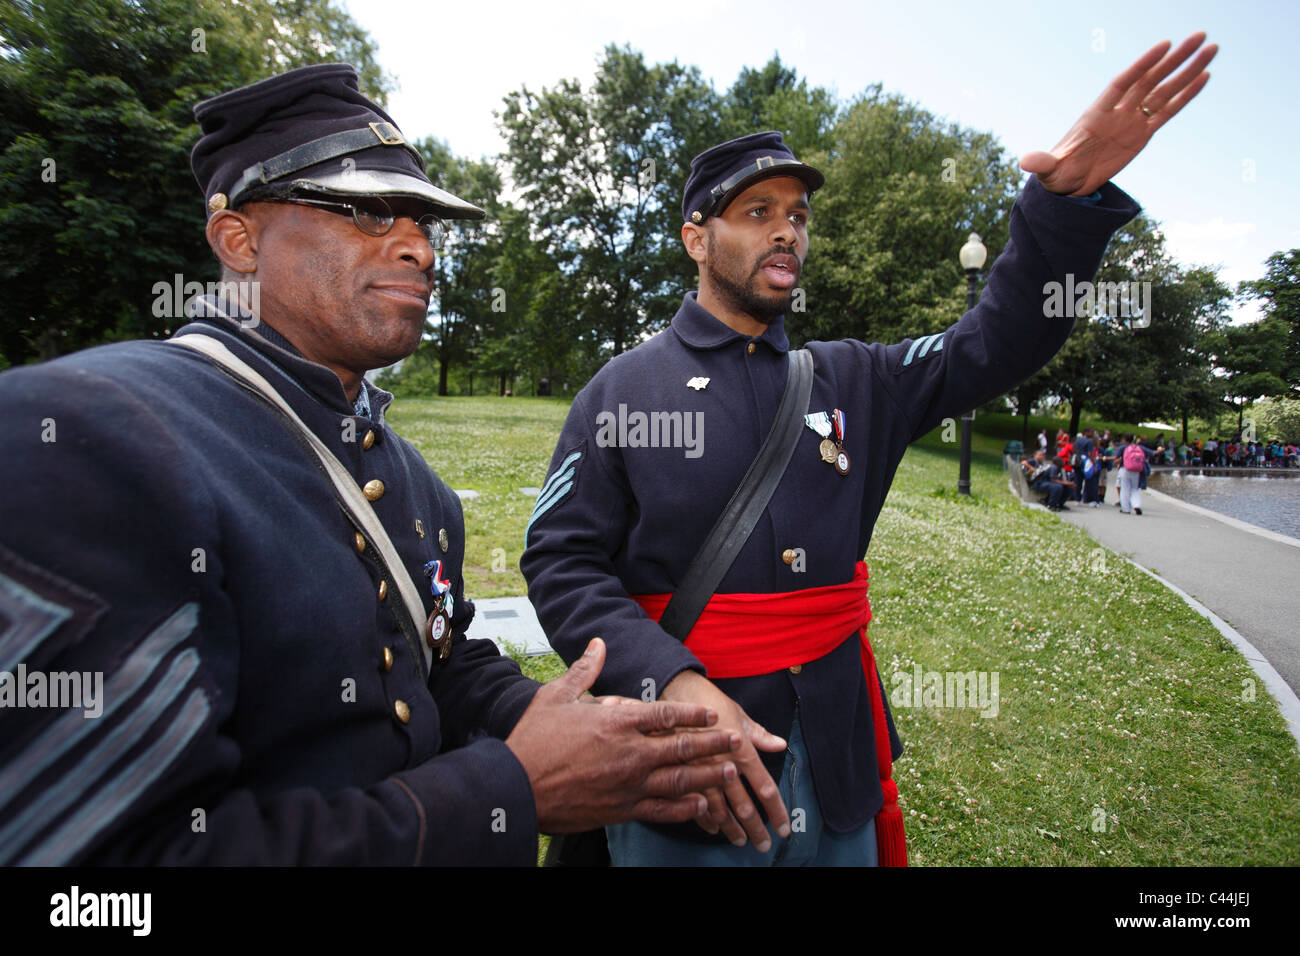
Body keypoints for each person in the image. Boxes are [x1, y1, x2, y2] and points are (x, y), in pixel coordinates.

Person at [0, 64, 746, 866]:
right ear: (238, 239)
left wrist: (540, 717)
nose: (419, 248)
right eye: (365, 211)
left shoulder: (415, 482)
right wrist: (515, 789)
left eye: (425, 223)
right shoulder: (85, 432)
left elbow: (437, 657)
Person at [522, 35, 1215, 865]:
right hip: (682, 763)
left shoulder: (856, 378)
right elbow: (560, 560)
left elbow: (993, 343)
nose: (787, 232)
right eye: (758, 213)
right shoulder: (621, 389)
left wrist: (1063, 205)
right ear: (696, 239)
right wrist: (666, 680)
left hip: (836, 744)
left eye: (798, 216)